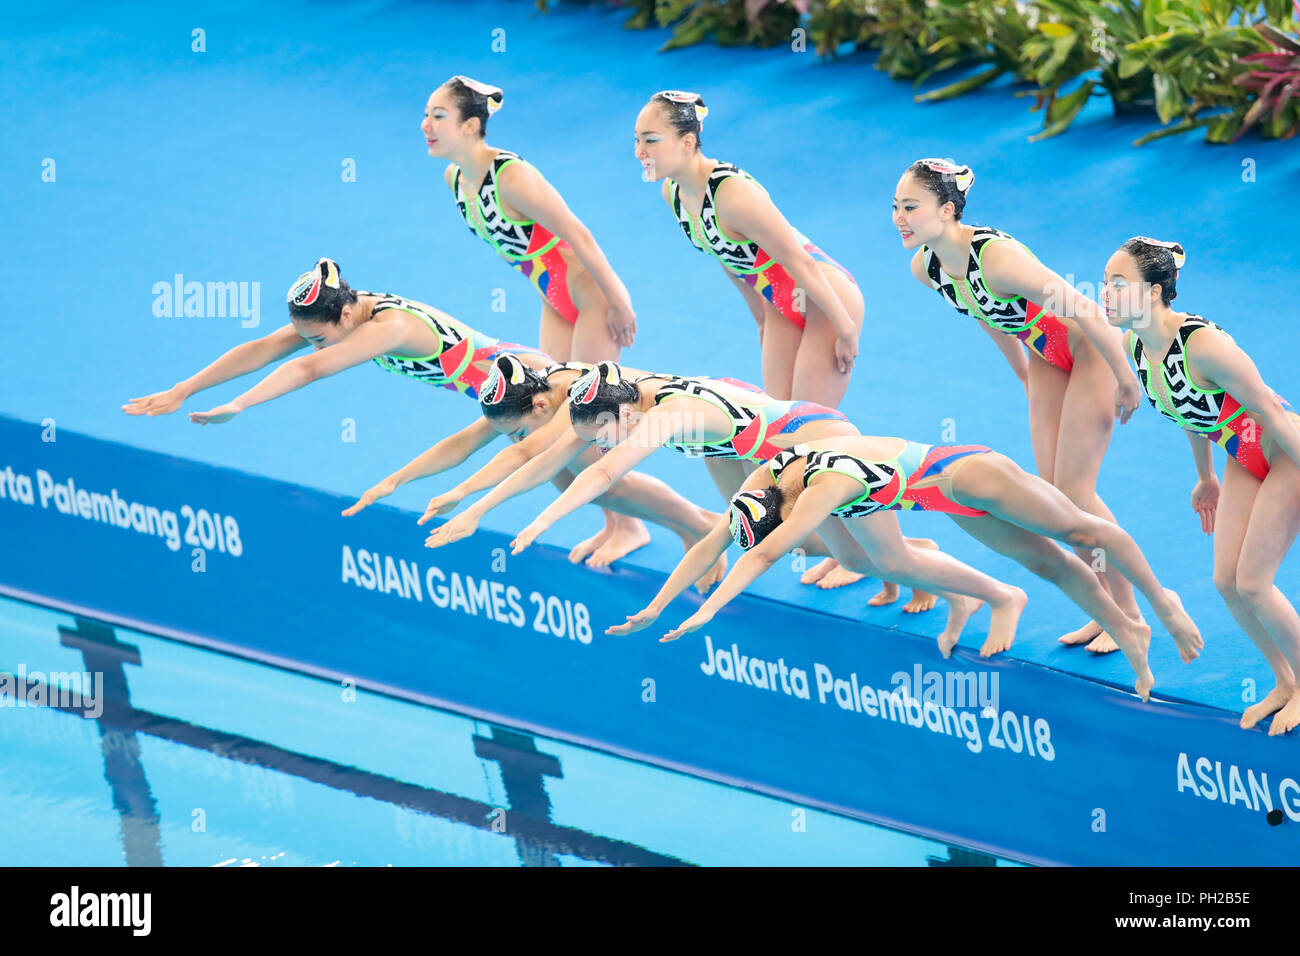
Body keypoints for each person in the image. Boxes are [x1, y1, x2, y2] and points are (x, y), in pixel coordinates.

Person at [122, 258, 709, 567]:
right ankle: (635, 524)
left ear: (345, 317)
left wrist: (238, 406)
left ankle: (698, 527)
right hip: (500, 391)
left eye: (319, 337)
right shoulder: (344, 313)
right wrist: (185, 389)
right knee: (569, 478)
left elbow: (309, 370)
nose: (312, 344)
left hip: (535, 390)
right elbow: (266, 349)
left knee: (584, 474)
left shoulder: (390, 327)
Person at [604, 433, 1202, 702]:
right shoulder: (763, 480)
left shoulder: (821, 489)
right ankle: (1128, 630)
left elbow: (762, 553)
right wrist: (659, 607)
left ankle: (1162, 603)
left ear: (781, 510)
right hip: (938, 500)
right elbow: (716, 541)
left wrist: (707, 613)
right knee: (1048, 565)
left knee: (1081, 532)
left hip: (966, 474)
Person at [895, 157, 1147, 654]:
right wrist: (1023, 373)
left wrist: (1125, 377)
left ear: (946, 210)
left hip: (1088, 351)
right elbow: (982, 310)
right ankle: (1106, 611)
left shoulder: (996, 257)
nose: (899, 218)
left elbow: (1084, 308)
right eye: (896, 207)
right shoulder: (927, 267)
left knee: (1076, 493)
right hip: (1045, 354)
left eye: (911, 207)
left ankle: (1131, 614)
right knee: (1055, 499)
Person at [635, 89, 868, 591]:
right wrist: (762, 318)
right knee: (778, 438)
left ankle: (865, 550)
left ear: (688, 141)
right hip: (780, 303)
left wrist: (845, 327)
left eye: (651, 140)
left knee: (810, 438)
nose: (640, 152)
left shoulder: (733, 192)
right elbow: (728, 257)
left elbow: (799, 261)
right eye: (636, 140)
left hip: (824, 299)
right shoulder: (675, 194)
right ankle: (844, 546)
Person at [1104, 236, 1300, 734]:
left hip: (1285, 453)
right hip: (1242, 455)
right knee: (1227, 584)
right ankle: (1286, 681)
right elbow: (1187, 411)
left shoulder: (1203, 344)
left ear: (1153, 292)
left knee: (1253, 582)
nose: (1104, 292)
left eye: (1118, 283)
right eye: (1105, 282)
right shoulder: (1136, 346)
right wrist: (1205, 476)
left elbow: (1272, 411)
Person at [426, 75, 636, 364]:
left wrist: (618, 303)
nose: (425, 125)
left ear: (470, 125)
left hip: (591, 298)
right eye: (426, 115)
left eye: (438, 116)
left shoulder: (511, 177)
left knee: (590, 392)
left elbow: (579, 235)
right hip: (551, 300)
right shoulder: (454, 177)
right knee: (553, 391)